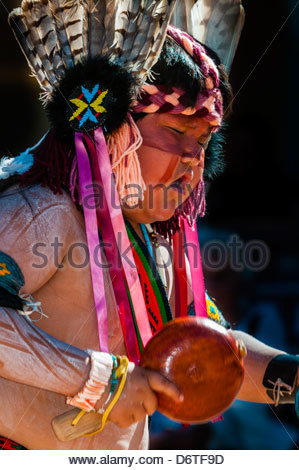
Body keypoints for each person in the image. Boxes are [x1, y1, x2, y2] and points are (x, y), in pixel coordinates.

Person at [0, 0, 298, 450]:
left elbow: (207, 351)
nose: (194, 158)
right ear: (115, 132)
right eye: (177, 133)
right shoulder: (44, 211)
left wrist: (290, 377)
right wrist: (98, 378)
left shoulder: (151, 238)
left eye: (203, 140)